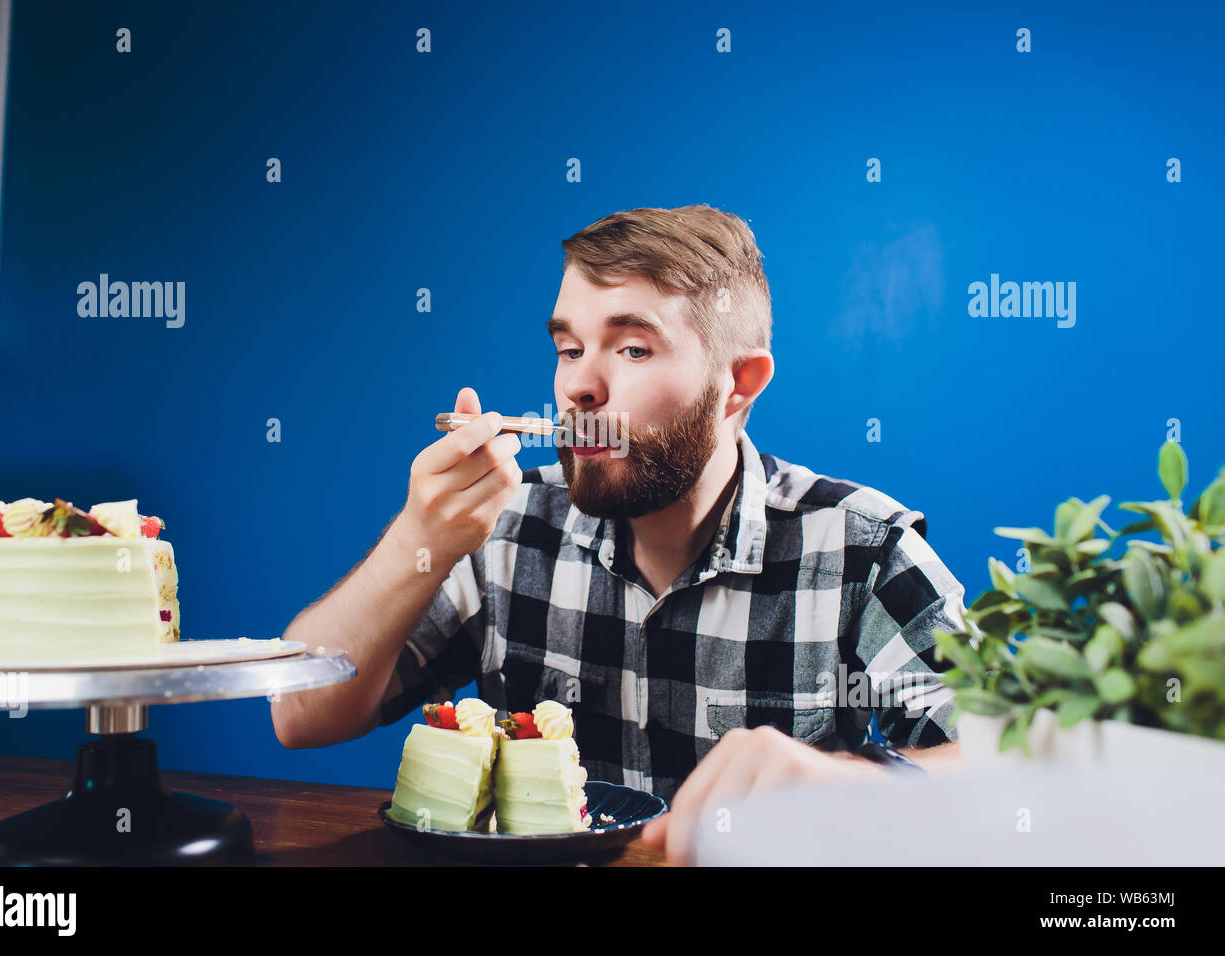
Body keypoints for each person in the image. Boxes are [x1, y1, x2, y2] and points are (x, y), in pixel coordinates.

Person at [271, 204, 968, 865]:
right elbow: (302, 717)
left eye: (632, 349)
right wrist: (414, 541)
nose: (580, 386)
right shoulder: (505, 528)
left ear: (738, 385)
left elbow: (1020, 765)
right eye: (569, 349)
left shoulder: (860, 549)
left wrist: (851, 786)